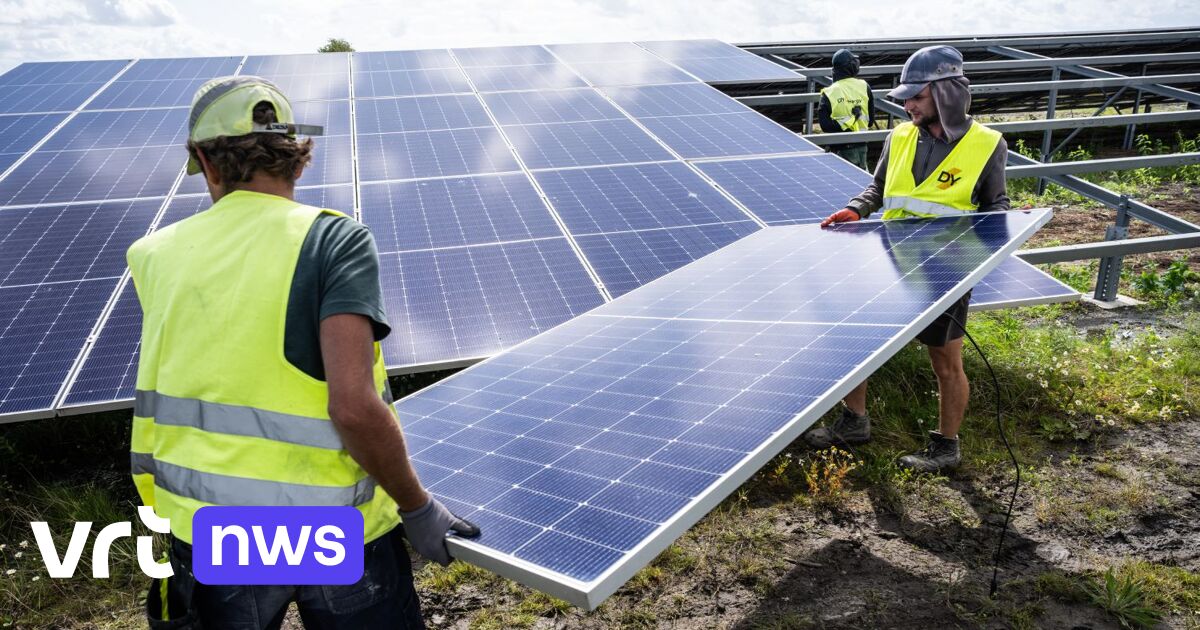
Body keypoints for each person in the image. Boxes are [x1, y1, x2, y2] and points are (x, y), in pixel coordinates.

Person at [129, 76, 477, 629]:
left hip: (213, 530)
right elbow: (354, 408)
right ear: (298, 156)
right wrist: (417, 508)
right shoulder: (332, 240)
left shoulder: (151, 254)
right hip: (333, 525)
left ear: (205, 162)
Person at [805, 45, 1009, 473]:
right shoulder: (898, 136)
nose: (907, 104)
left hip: (945, 269)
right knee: (855, 340)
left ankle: (946, 446)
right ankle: (854, 422)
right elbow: (877, 190)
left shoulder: (987, 144)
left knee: (944, 360)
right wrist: (856, 210)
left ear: (947, 93)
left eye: (916, 96)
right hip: (890, 260)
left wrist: (980, 250)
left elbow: (995, 210)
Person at [817, 48, 874, 170]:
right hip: (861, 147)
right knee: (862, 182)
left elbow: (825, 125)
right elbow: (869, 121)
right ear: (852, 67)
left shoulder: (829, 92)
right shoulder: (864, 86)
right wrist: (853, 119)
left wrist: (845, 123)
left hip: (839, 150)